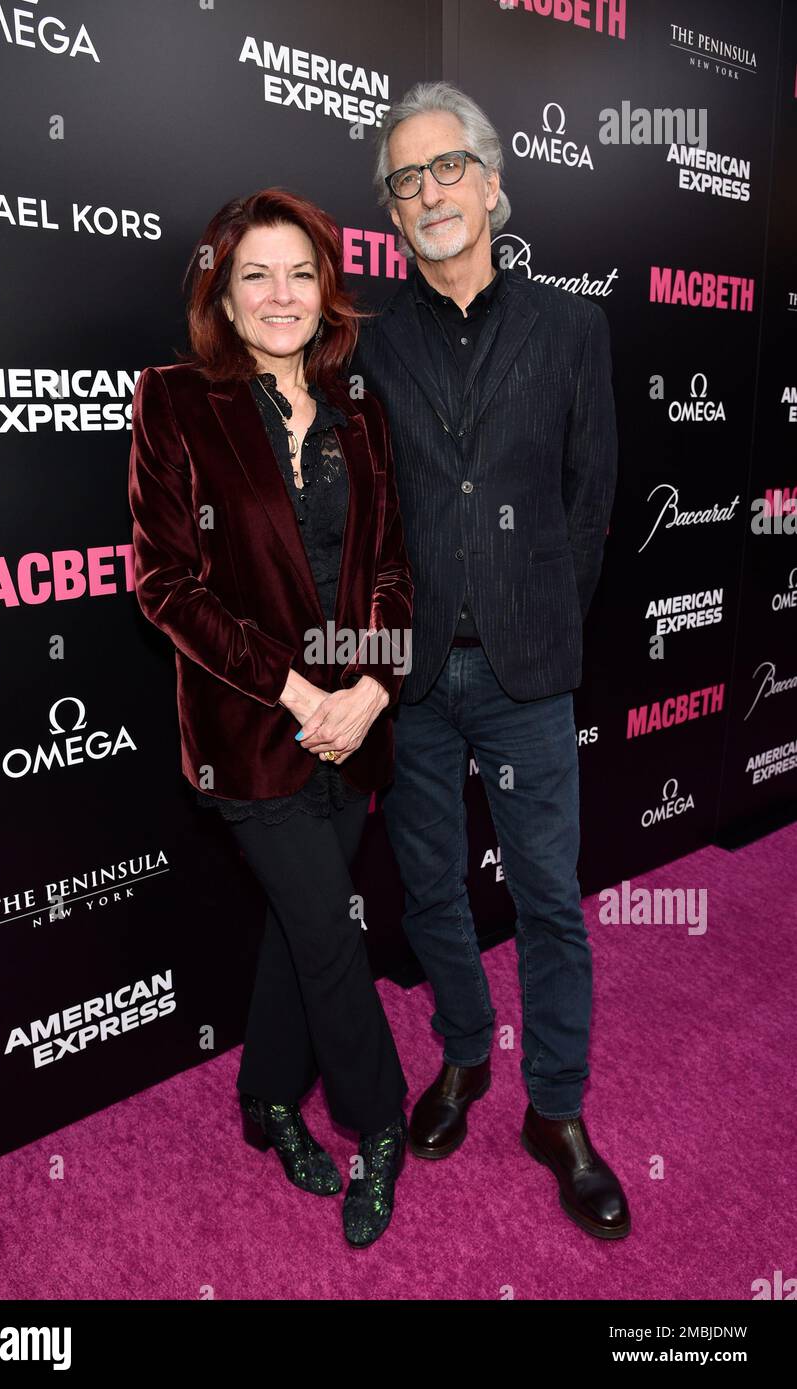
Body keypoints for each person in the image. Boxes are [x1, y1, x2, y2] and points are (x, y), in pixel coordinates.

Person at [351, 81, 629, 1239]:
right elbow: (361, 515)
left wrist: (538, 624)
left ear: (493, 180)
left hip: (525, 674)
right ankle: (464, 1056)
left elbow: (590, 497)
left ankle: (554, 1109)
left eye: (446, 167)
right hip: (412, 681)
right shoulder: (367, 343)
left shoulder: (571, 326)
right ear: (393, 211)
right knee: (430, 890)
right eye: (406, 181)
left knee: (550, 898)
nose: (429, 194)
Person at [127, 188, 414, 1248]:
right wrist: (301, 696)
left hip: (357, 725)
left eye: (301, 272)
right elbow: (167, 584)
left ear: (327, 288)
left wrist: (371, 689)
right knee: (334, 935)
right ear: (225, 293)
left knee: (303, 932)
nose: (282, 294)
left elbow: (389, 569)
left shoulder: (360, 408)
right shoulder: (175, 401)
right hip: (253, 734)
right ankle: (379, 1124)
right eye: (257, 274)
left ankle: (264, 1101)